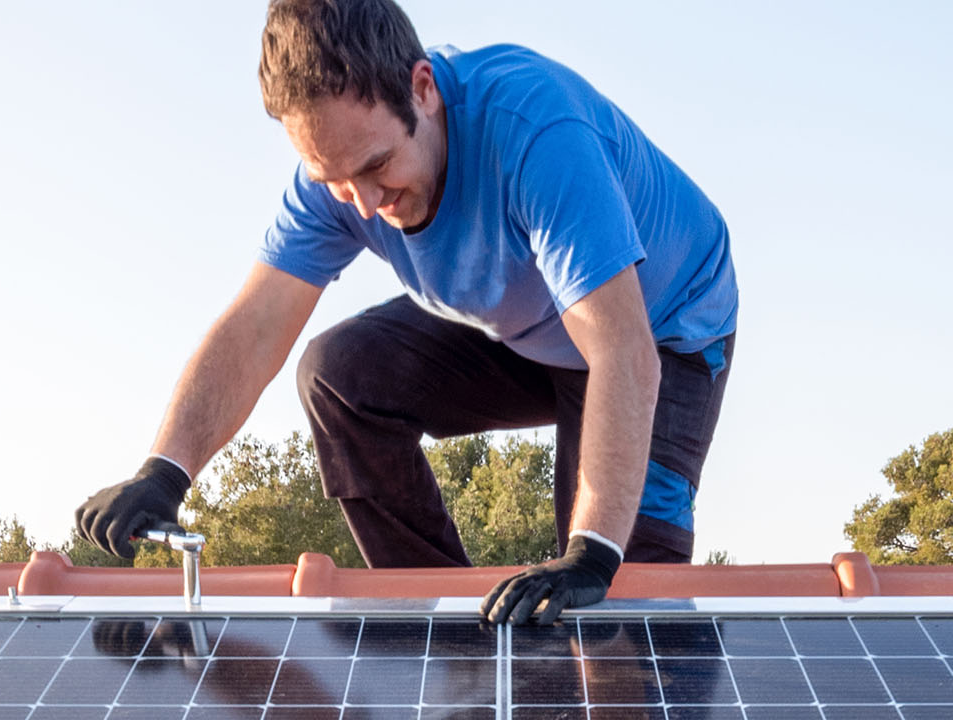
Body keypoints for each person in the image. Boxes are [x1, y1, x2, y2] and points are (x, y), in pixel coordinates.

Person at [76, 0, 737, 625]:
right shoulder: (337, 181)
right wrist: (165, 470)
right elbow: (254, 326)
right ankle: (457, 638)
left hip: (661, 331)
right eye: (335, 179)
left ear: (424, 88)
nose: (362, 202)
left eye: (377, 166)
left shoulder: (536, 132)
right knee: (340, 375)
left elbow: (622, 353)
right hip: (520, 321)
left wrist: (592, 553)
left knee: (614, 605)